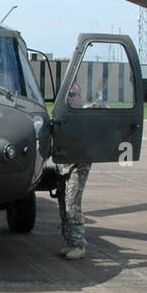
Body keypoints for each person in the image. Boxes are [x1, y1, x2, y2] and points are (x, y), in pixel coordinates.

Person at [58, 83, 91, 260]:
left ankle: (79, 245)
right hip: (63, 167)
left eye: (74, 94)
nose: (71, 97)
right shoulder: (64, 114)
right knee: (63, 205)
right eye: (68, 95)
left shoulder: (85, 114)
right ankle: (70, 241)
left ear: (80, 96)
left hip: (78, 166)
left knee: (72, 204)